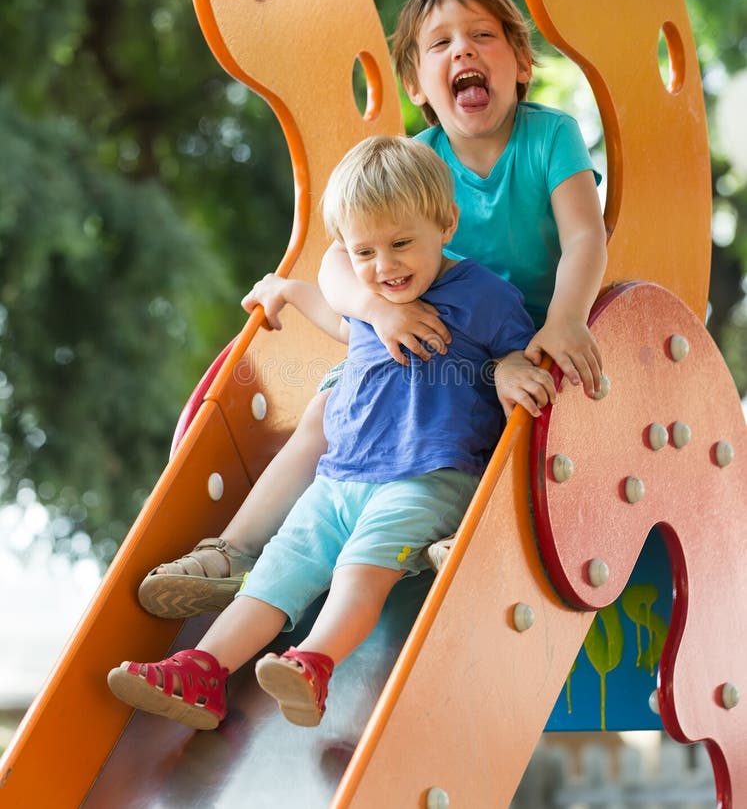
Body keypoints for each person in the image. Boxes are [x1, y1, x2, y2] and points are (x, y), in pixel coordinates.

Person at [136, 0, 607, 620]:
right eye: (439, 44)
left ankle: (458, 535)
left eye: (481, 36)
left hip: (510, 342)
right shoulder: (415, 162)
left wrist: (564, 320)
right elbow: (336, 259)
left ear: (519, 63)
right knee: (324, 413)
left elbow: (584, 236)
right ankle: (233, 550)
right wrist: (379, 309)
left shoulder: (549, 137)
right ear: (416, 85)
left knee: (523, 413)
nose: (463, 52)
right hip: (418, 337)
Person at [108, 134, 556, 730]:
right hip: (340, 476)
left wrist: (512, 367)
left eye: (401, 245)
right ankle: (203, 671)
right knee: (274, 573)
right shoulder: (369, 301)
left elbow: (518, 353)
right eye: (365, 252)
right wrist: (286, 290)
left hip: (427, 476)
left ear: (445, 224)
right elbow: (335, 318)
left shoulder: (484, 295)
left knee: (358, 570)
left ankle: (315, 663)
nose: (385, 267)